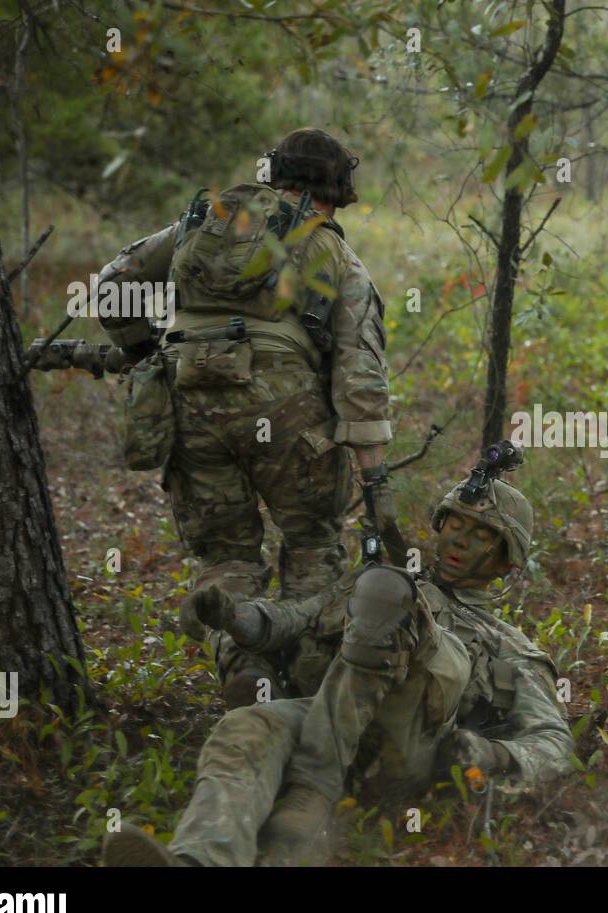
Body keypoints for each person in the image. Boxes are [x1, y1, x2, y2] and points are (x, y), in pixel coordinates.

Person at [102, 476, 573, 867]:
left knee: (390, 595)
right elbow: (294, 619)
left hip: (406, 747)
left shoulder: (507, 643)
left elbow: (553, 743)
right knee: (248, 725)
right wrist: (233, 617)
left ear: (507, 557)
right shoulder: (374, 583)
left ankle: (311, 791)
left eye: (483, 534)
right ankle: (200, 859)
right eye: (455, 523)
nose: (460, 539)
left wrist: (488, 753)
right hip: (331, 719)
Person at [95, 128, 396, 707]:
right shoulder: (334, 250)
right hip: (288, 414)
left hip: (190, 406)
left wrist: (142, 353)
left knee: (225, 554)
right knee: (311, 543)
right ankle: (309, 682)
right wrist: (375, 478)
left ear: (270, 175)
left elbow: (113, 286)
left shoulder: (201, 223)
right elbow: (361, 372)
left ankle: (242, 665)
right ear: (337, 191)